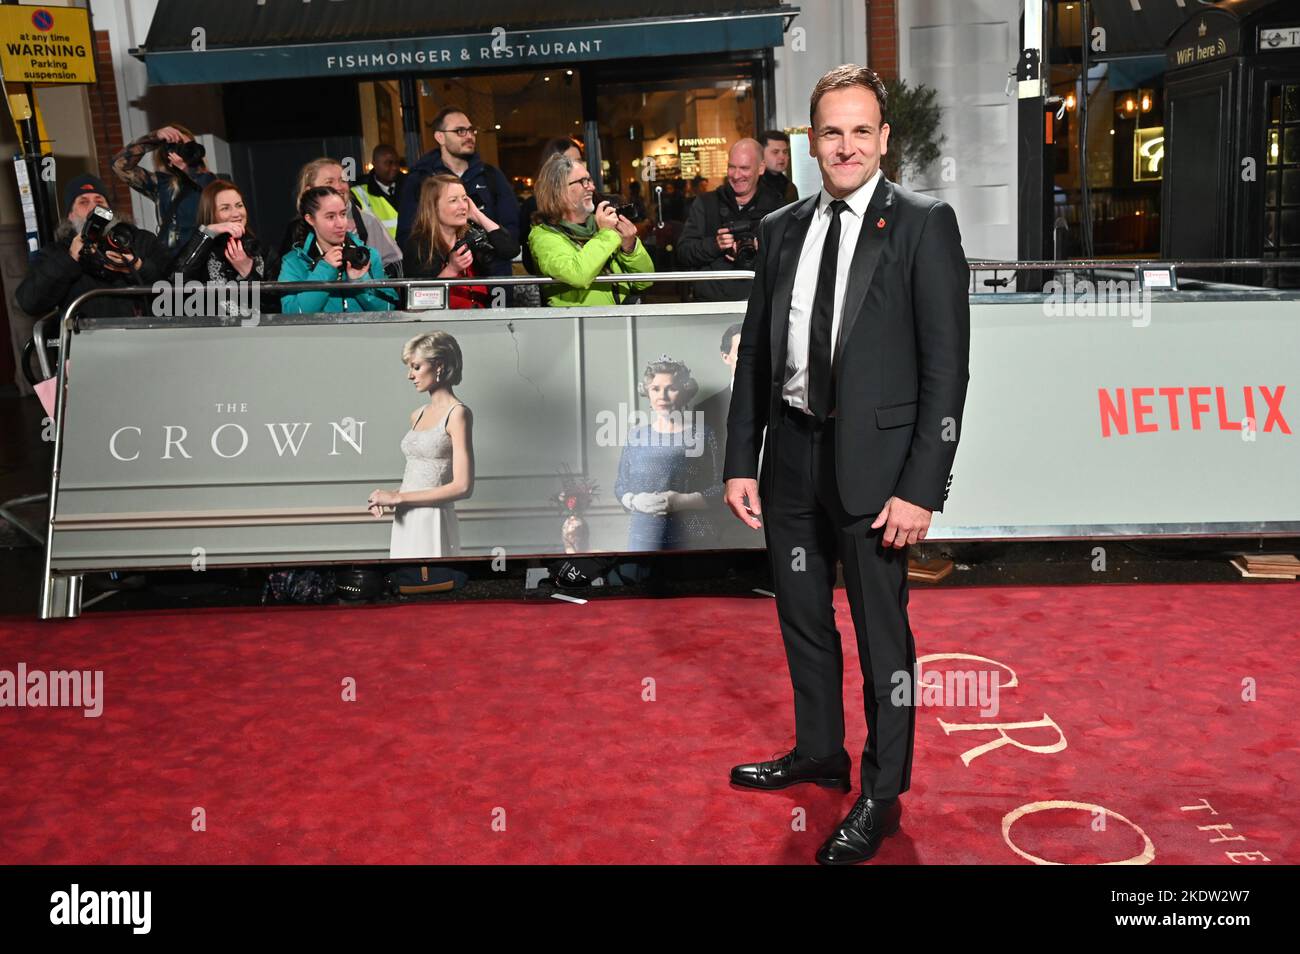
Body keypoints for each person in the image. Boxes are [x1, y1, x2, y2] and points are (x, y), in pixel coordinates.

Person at [723, 65, 970, 865]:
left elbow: (947, 370)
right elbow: (758, 349)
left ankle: (883, 794)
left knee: (881, 636)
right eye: (832, 131)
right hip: (791, 453)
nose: (847, 145)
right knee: (802, 618)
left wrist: (920, 487)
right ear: (809, 140)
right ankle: (820, 751)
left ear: (885, 139)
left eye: (862, 130)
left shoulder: (925, 225)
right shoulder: (783, 227)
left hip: (877, 472)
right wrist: (742, 457)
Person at [369, 331, 474, 558]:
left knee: (433, 586)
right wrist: (388, 495)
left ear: (439, 365)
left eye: (416, 367)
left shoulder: (458, 414)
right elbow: (421, 477)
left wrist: (398, 498)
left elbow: (463, 486)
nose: (410, 375)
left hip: (432, 519)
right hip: (405, 518)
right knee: (405, 585)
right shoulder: (417, 415)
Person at [16, 174, 170, 321]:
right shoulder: (57, 252)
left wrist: (138, 267)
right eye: (83, 202)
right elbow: (29, 302)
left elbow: (175, 294)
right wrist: (69, 259)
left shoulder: (140, 240)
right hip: (87, 341)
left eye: (100, 201)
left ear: (110, 211)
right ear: (70, 215)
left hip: (145, 338)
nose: (94, 208)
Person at [395, 106, 520, 275]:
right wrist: (442, 266)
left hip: (493, 281)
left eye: (471, 130)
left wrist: (489, 253)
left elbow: (512, 233)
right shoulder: (420, 179)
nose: (469, 136)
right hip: (440, 283)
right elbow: (407, 236)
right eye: (460, 131)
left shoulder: (491, 175)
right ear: (440, 137)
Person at [614, 355, 721, 551]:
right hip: (642, 537)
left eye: (671, 388)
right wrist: (635, 501)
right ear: (648, 393)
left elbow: (720, 488)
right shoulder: (635, 435)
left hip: (691, 537)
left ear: (684, 392)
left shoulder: (703, 434)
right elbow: (620, 486)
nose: (662, 396)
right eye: (655, 389)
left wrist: (680, 501)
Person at [527, 153, 654, 306]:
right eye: (583, 182)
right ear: (559, 190)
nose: (592, 187)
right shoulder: (544, 235)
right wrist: (606, 234)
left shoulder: (600, 227)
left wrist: (630, 248)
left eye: (590, 180)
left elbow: (645, 281)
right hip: (578, 325)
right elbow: (576, 275)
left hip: (620, 321)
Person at [675, 138, 785, 301]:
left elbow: (789, 257)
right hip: (710, 305)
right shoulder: (706, 203)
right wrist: (715, 245)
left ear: (761, 168)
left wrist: (762, 248)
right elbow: (683, 253)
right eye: (731, 167)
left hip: (760, 305)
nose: (736, 175)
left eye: (744, 168)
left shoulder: (776, 207)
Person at [402, 173, 520, 308]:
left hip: (479, 321)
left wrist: (477, 215)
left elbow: (511, 249)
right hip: (442, 325)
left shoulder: (470, 234)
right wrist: (452, 269)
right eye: (453, 200)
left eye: (464, 199)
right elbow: (419, 302)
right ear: (433, 207)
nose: (463, 206)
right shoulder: (419, 245)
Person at [277, 187, 397, 313]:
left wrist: (360, 282)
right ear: (310, 219)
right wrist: (325, 270)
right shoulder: (293, 262)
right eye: (330, 217)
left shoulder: (367, 256)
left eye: (343, 214)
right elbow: (293, 314)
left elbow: (388, 309)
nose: (340, 224)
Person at [280, 158, 404, 276]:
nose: (339, 187)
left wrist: (370, 282)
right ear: (309, 190)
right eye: (329, 182)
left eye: (343, 180)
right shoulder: (297, 229)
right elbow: (292, 287)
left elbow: (394, 265)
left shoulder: (367, 221)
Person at [111, 123, 217, 252]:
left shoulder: (210, 182)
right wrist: (154, 138)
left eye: (188, 146)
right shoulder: (161, 184)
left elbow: (216, 196)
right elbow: (119, 165)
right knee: (178, 273)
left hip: (205, 260)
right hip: (177, 264)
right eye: (179, 147)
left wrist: (190, 170)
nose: (184, 151)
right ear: (167, 155)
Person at [520, 136, 584, 274]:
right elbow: (529, 259)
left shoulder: (589, 200)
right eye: (569, 162)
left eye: (579, 161)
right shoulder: (534, 205)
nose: (576, 166)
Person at [352, 144, 404, 239]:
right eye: (388, 163)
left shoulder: (410, 185)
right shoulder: (360, 191)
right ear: (374, 164)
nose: (395, 167)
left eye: (397, 163)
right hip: (380, 251)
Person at [759, 129, 800, 204]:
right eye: (775, 152)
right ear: (761, 155)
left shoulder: (790, 188)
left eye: (785, 152)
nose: (782, 157)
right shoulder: (752, 186)